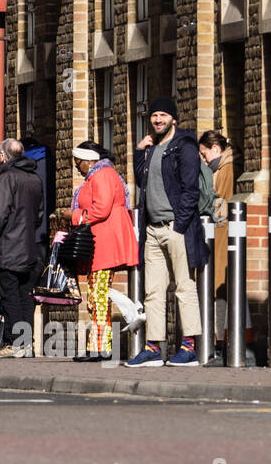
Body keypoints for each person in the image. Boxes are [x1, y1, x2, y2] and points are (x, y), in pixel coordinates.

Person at [127, 97, 205, 367]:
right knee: (154, 292)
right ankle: (153, 348)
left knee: (184, 287)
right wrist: (139, 152)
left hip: (175, 228)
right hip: (152, 230)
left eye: (163, 115)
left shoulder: (184, 146)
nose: (157, 119)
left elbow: (190, 190)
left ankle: (189, 347)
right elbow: (142, 182)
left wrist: (179, 226)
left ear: (173, 118)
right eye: (154, 115)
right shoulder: (150, 147)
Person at [69, 143, 142, 361]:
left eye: (78, 162)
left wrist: (73, 216)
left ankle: (102, 346)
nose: (76, 167)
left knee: (99, 295)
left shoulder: (102, 175)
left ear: (89, 160)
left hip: (105, 242)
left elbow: (100, 209)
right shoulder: (101, 174)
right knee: (96, 295)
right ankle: (98, 344)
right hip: (101, 241)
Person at [0, 139, 44, 358]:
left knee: (9, 297)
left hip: (7, 249)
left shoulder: (7, 178)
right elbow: (38, 216)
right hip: (29, 247)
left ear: (3, 157)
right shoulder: (35, 179)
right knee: (25, 297)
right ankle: (26, 343)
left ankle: (14, 343)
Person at [199, 129, 247, 362]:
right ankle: (221, 342)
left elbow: (220, 203)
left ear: (216, 150)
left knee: (220, 290)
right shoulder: (222, 167)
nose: (203, 159)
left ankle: (220, 344)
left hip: (222, 235)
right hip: (220, 234)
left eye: (204, 154)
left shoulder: (225, 170)